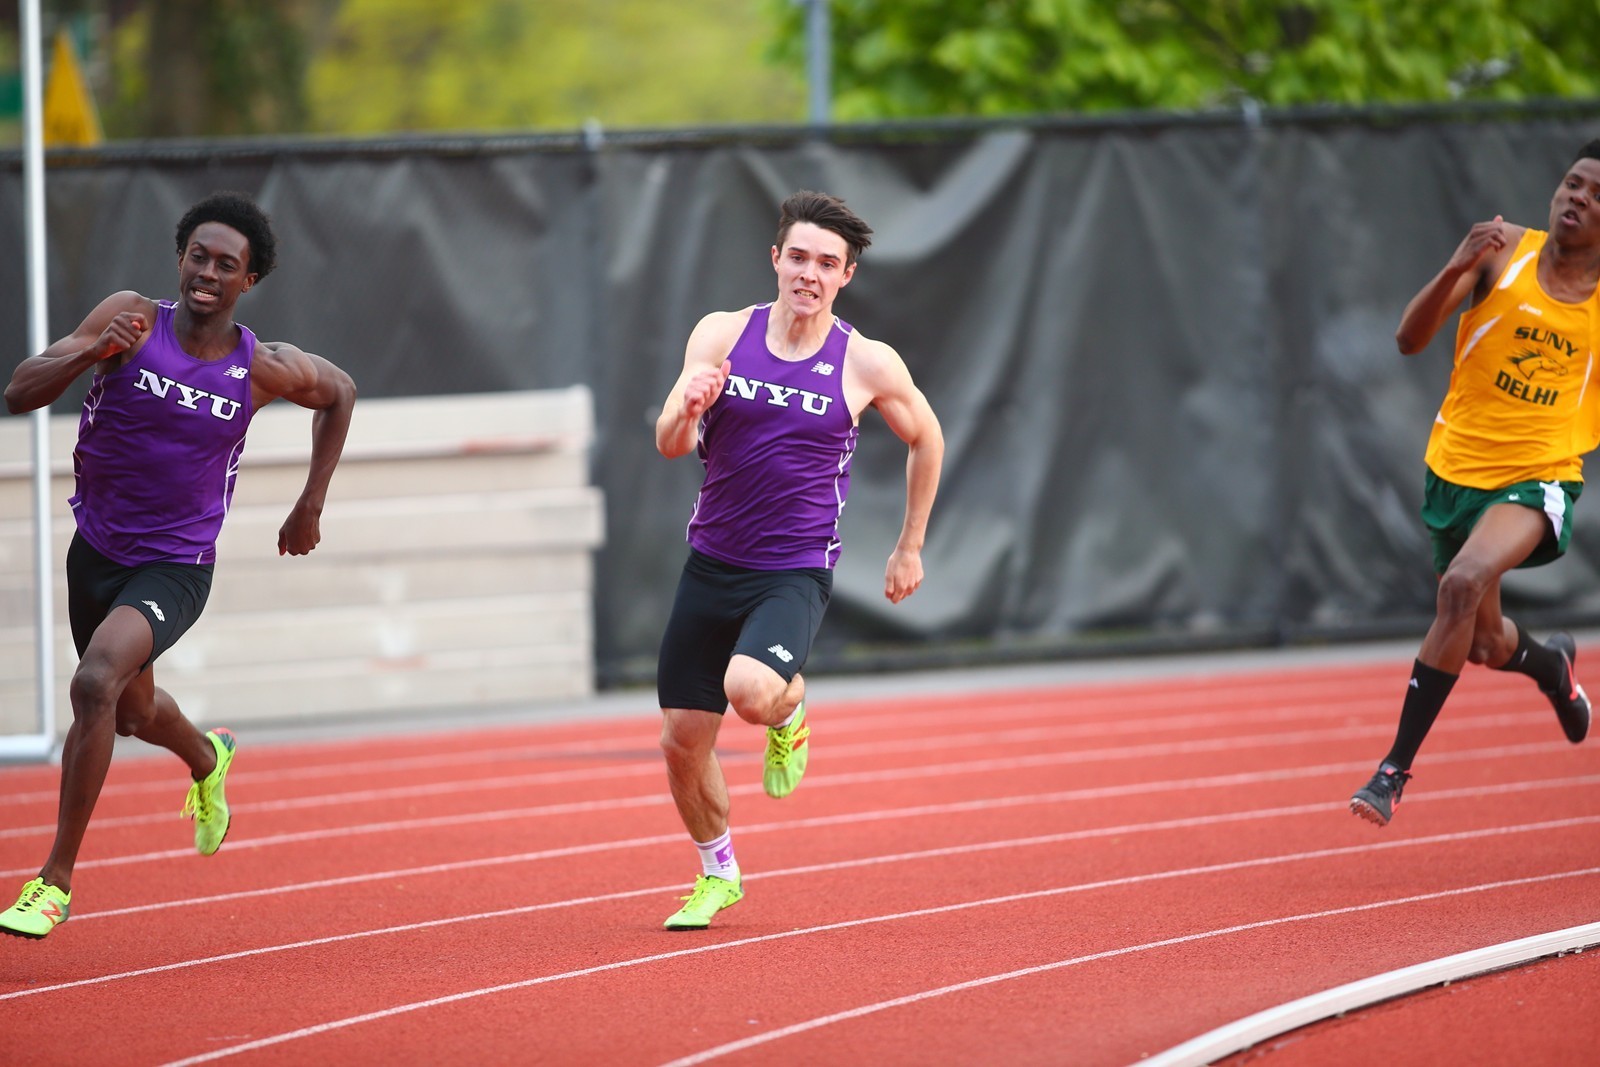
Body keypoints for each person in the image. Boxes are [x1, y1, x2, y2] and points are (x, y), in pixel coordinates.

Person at [0, 191, 356, 938]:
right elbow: (20, 391)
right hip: (95, 551)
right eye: (198, 256)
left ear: (248, 281)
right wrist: (89, 352)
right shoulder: (130, 320)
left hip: (176, 564)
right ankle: (207, 755)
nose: (207, 272)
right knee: (126, 710)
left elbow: (341, 392)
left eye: (227, 264)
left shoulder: (261, 368)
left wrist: (310, 503)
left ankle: (53, 881)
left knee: (95, 680)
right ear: (181, 258)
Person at [652, 190, 943, 929]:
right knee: (682, 740)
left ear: (845, 276)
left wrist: (909, 545)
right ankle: (718, 872)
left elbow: (927, 439)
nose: (810, 273)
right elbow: (669, 442)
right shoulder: (722, 334)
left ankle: (791, 702)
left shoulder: (865, 362)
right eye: (800, 257)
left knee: (750, 690)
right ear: (776, 259)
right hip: (710, 563)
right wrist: (688, 404)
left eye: (828, 263)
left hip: (792, 570)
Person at [1350, 142, 1600, 827]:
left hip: (1539, 477)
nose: (1577, 197)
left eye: (1596, 195)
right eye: (1572, 183)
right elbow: (1408, 339)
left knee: (1459, 585)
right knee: (1485, 642)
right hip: (1454, 471)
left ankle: (1391, 771)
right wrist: (1456, 264)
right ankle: (1550, 667)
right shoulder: (1500, 249)